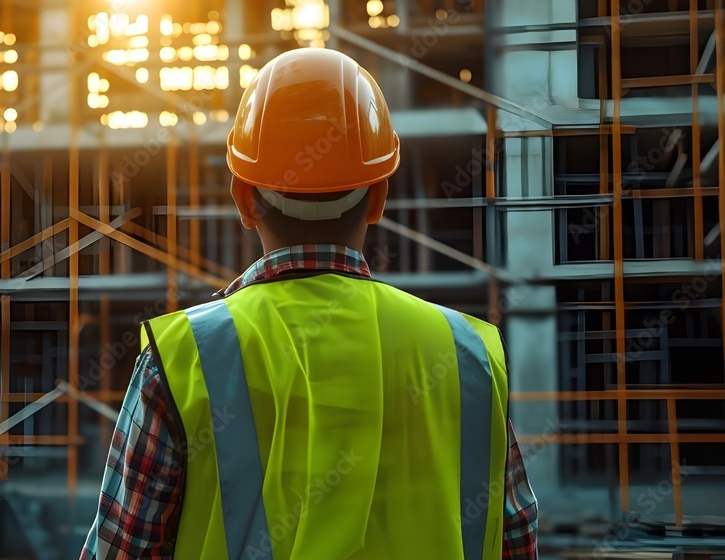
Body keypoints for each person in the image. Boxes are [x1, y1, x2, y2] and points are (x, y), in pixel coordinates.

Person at [81, 48, 538, 560]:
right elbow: (515, 539)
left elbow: (121, 549)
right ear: (378, 199)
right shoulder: (468, 356)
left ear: (243, 199)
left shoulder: (183, 358)